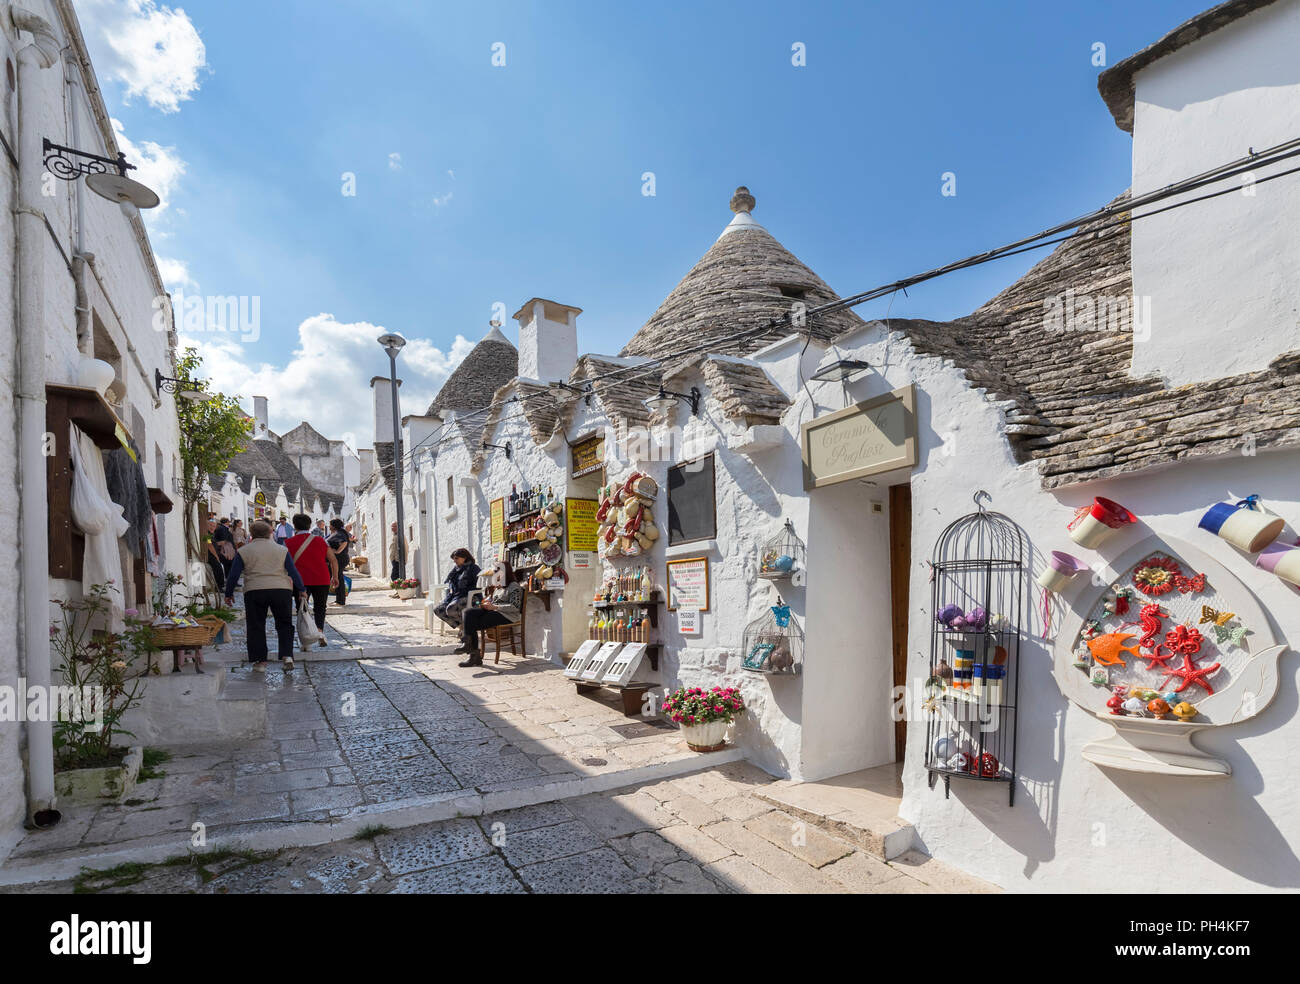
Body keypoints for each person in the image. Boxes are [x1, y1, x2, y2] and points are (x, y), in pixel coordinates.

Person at [225, 519, 307, 671]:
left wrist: (228, 593)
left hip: (255, 590)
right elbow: (293, 571)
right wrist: (301, 588)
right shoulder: (282, 550)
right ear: (270, 533)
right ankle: (287, 655)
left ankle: (260, 661)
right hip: (281, 589)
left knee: (256, 625)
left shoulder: (244, 551)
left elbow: (234, 574)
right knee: (284, 623)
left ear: (252, 534)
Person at [286, 513, 338, 650]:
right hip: (321, 578)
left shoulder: (288, 543)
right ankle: (319, 632)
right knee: (320, 607)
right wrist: (335, 576)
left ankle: (306, 643)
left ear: (295, 526)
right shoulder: (321, 541)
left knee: (301, 609)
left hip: (300, 581)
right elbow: (333, 560)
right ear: (309, 525)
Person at [456, 560, 522, 667]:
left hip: (507, 616)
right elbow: (494, 601)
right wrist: (487, 603)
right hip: (494, 611)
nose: (494, 573)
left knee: (472, 624)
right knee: (468, 612)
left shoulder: (513, 586)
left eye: (497, 571)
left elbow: (515, 607)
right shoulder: (499, 586)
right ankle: (468, 645)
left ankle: (473, 654)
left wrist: (495, 606)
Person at [433, 548, 480, 631]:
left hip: (472, 597)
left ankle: (466, 629)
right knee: (438, 610)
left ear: (464, 557)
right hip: (455, 596)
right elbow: (449, 583)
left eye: (456, 558)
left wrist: (463, 591)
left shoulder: (473, 568)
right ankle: (462, 626)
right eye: (453, 559)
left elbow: (479, 585)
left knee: (451, 609)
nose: (454, 561)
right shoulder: (456, 570)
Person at [327, 518, 351, 606]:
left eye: (330, 525)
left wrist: (337, 551)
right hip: (340, 559)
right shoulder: (340, 532)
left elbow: (344, 542)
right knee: (337, 577)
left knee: (338, 578)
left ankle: (340, 601)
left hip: (339, 559)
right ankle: (339, 600)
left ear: (333, 525)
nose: (329, 527)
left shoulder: (339, 533)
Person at [212, 516, 237, 581]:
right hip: (224, 550)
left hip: (221, 550)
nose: (213, 527)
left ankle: (228, 580)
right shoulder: (222, 528)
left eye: (213, 526)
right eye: (212, 525)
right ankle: (228, 581)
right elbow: (223, 540)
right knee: (228, 566)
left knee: (227, 566)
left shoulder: (220, 529)